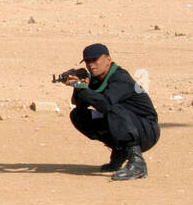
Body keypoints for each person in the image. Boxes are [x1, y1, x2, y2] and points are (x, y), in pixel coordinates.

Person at [66, 43, 159, 181]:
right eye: (88, 62)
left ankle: (137, 162)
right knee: (78, 115)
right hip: (128, 124)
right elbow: (81, 104)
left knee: (112, 108)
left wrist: (84, 89)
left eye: (95, 60)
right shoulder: (95, 79)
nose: (91, 65)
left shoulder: (120, 78)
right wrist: (78, 86)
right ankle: (120, 150)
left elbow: (106, 104)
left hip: (146, 129)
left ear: (108, 59)